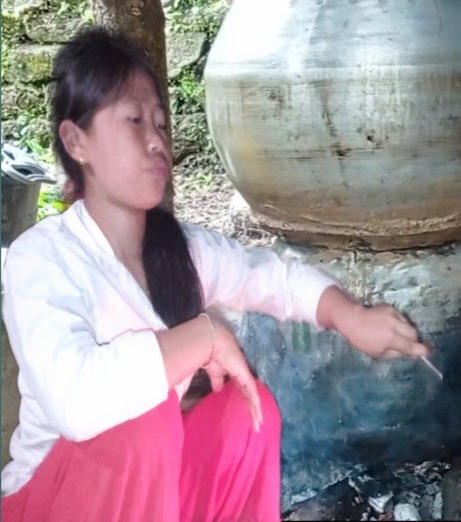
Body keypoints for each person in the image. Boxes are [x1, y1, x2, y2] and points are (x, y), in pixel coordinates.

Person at [0, 28, 433, 521]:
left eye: (161, 124)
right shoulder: (43, 258)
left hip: (146, 495)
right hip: (49, 503)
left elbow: (273, 279)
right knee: (144, 418)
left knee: (246, 412)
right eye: (134, 120)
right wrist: (202, 336)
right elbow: (76, 403)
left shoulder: (178, 250)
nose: (156, 141)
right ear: (76, 141)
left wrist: (351, 316)